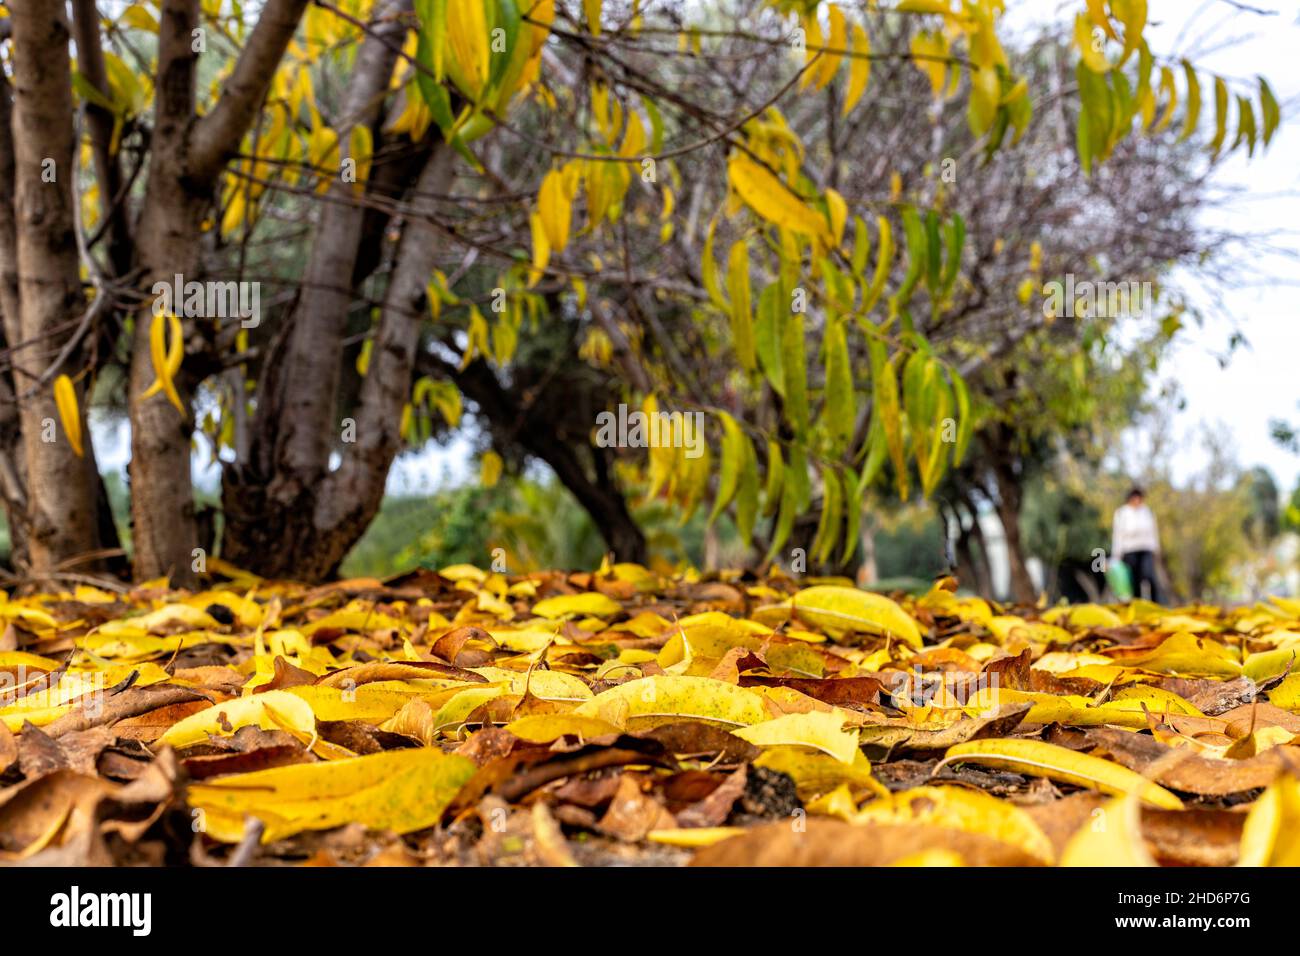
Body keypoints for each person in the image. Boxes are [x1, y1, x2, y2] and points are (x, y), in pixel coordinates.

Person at [1111, 486, 1162, 604]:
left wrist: (1156, 549)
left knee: (1149, 576)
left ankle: (1155, 603)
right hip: (1129, 549)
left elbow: (1153, 532)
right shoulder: (1122, 513)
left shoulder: (1147, 512)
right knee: (1135, 580)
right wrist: (1116, 554)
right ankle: (1136, 604)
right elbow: (1118, 534)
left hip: (1146, 548)